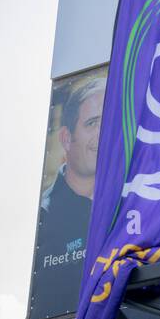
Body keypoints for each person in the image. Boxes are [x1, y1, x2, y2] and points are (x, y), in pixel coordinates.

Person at [37, 77, 103, 263]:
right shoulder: (45, 216)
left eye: (109, 122)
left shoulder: (127, 204)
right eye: (92, 123)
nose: (103, 133)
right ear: (66, 138)